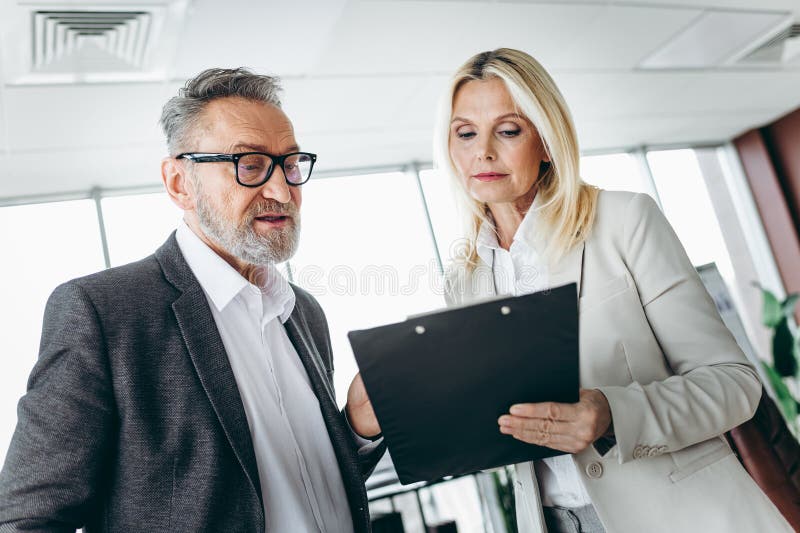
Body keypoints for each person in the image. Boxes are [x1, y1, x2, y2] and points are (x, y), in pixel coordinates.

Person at [0, 67, 383, 532]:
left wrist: (359, 427)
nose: (283, 190)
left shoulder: (303, 312)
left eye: (291, 163)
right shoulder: (102, 314)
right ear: (180, 183)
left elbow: (298, 489)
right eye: (250, 165)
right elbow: (27, 521)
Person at [436, 48, 792, 533]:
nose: (483, 152)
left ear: (546, 139)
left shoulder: (624, 221)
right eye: (465, 134)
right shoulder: (463, 280)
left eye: (509, 129)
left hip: (677, 515)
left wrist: (612, 414)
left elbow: (734, 383)